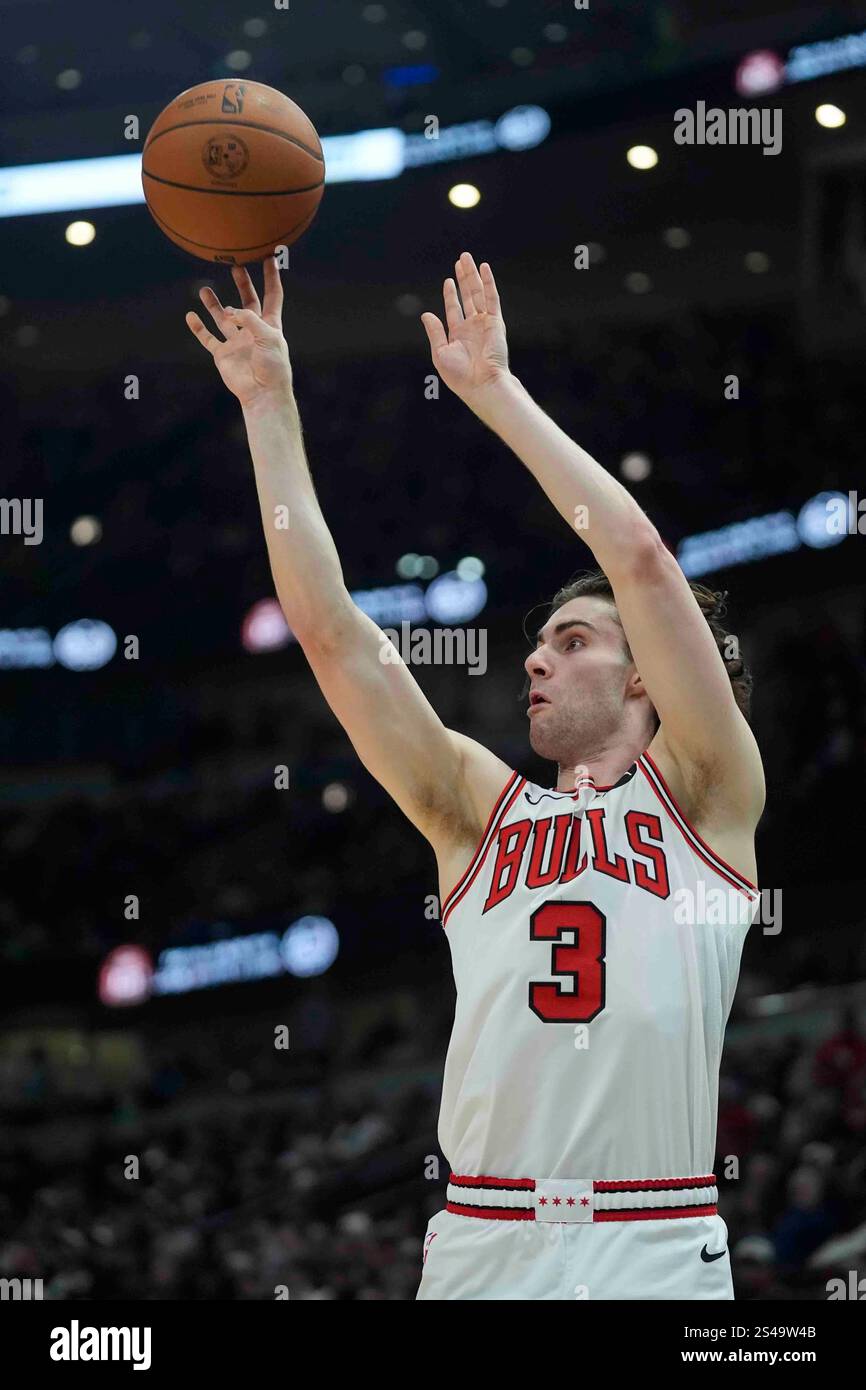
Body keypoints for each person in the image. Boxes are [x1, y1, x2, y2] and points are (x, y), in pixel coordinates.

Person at [186, 251, 765, 1301]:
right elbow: (331, 636)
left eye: (573, 640)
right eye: (537, 642)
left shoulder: (707, 792)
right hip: (480, 1240)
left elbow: (636, 556)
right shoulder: (473, 810)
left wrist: (494, 394)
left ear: (645, 671)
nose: (536, 658)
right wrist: (269, 403)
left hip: (653, 1237)